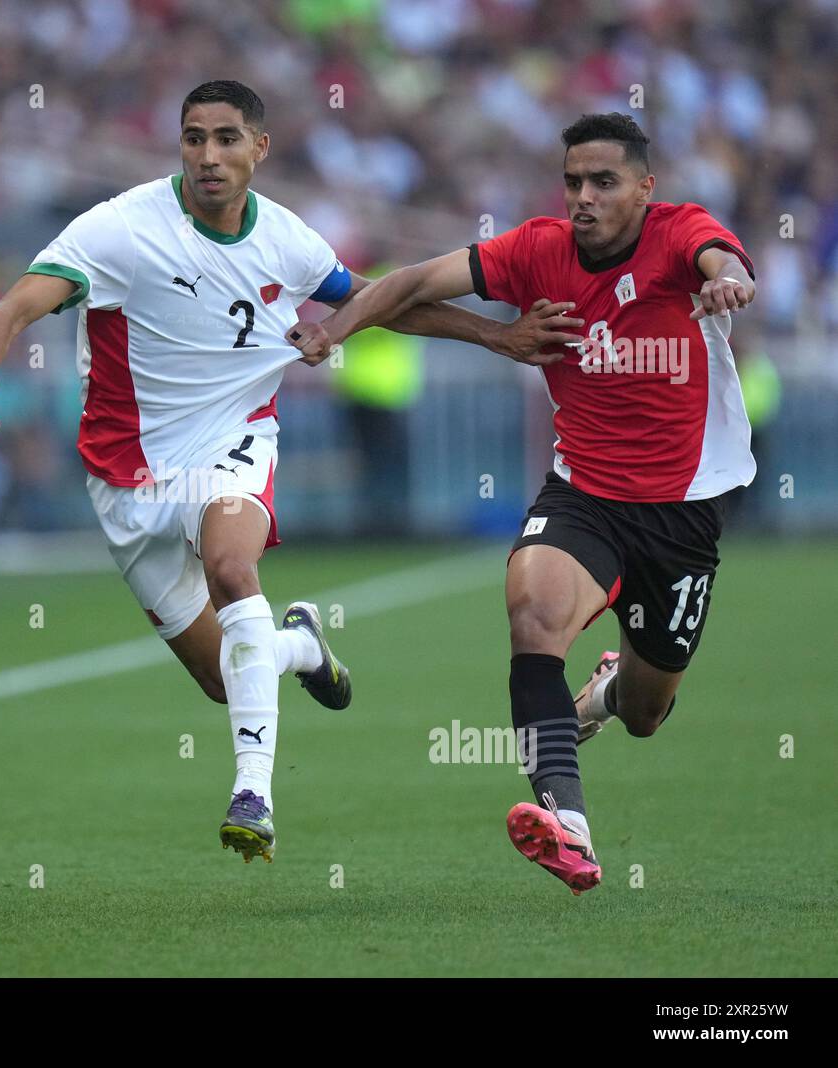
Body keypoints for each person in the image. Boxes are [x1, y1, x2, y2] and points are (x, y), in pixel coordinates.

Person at [0, 80, 573, 863]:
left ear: (260, 147)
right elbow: (14, 305)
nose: (208, 155)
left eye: (225, 138)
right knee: (227, 678)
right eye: (193, 138)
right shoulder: (119, 230)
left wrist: (496, 336)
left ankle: (253, 793)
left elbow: (383, 301)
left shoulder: (287, 240)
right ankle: (302, 648)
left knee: (230, 566)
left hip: (234, 442)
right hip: (127, 478)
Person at [288, 112, 757, 894]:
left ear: (645, 189)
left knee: (645, 712)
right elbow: (412, 283)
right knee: (533, 616)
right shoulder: (537, 249)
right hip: (583, 495)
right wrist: (338, 329)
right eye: (573, 181)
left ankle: (606, 694)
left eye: (603, 182)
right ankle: (568, 825)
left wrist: (726, 277)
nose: (584, 197)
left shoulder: (679, 235)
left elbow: (723, 255)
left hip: (683, 510)